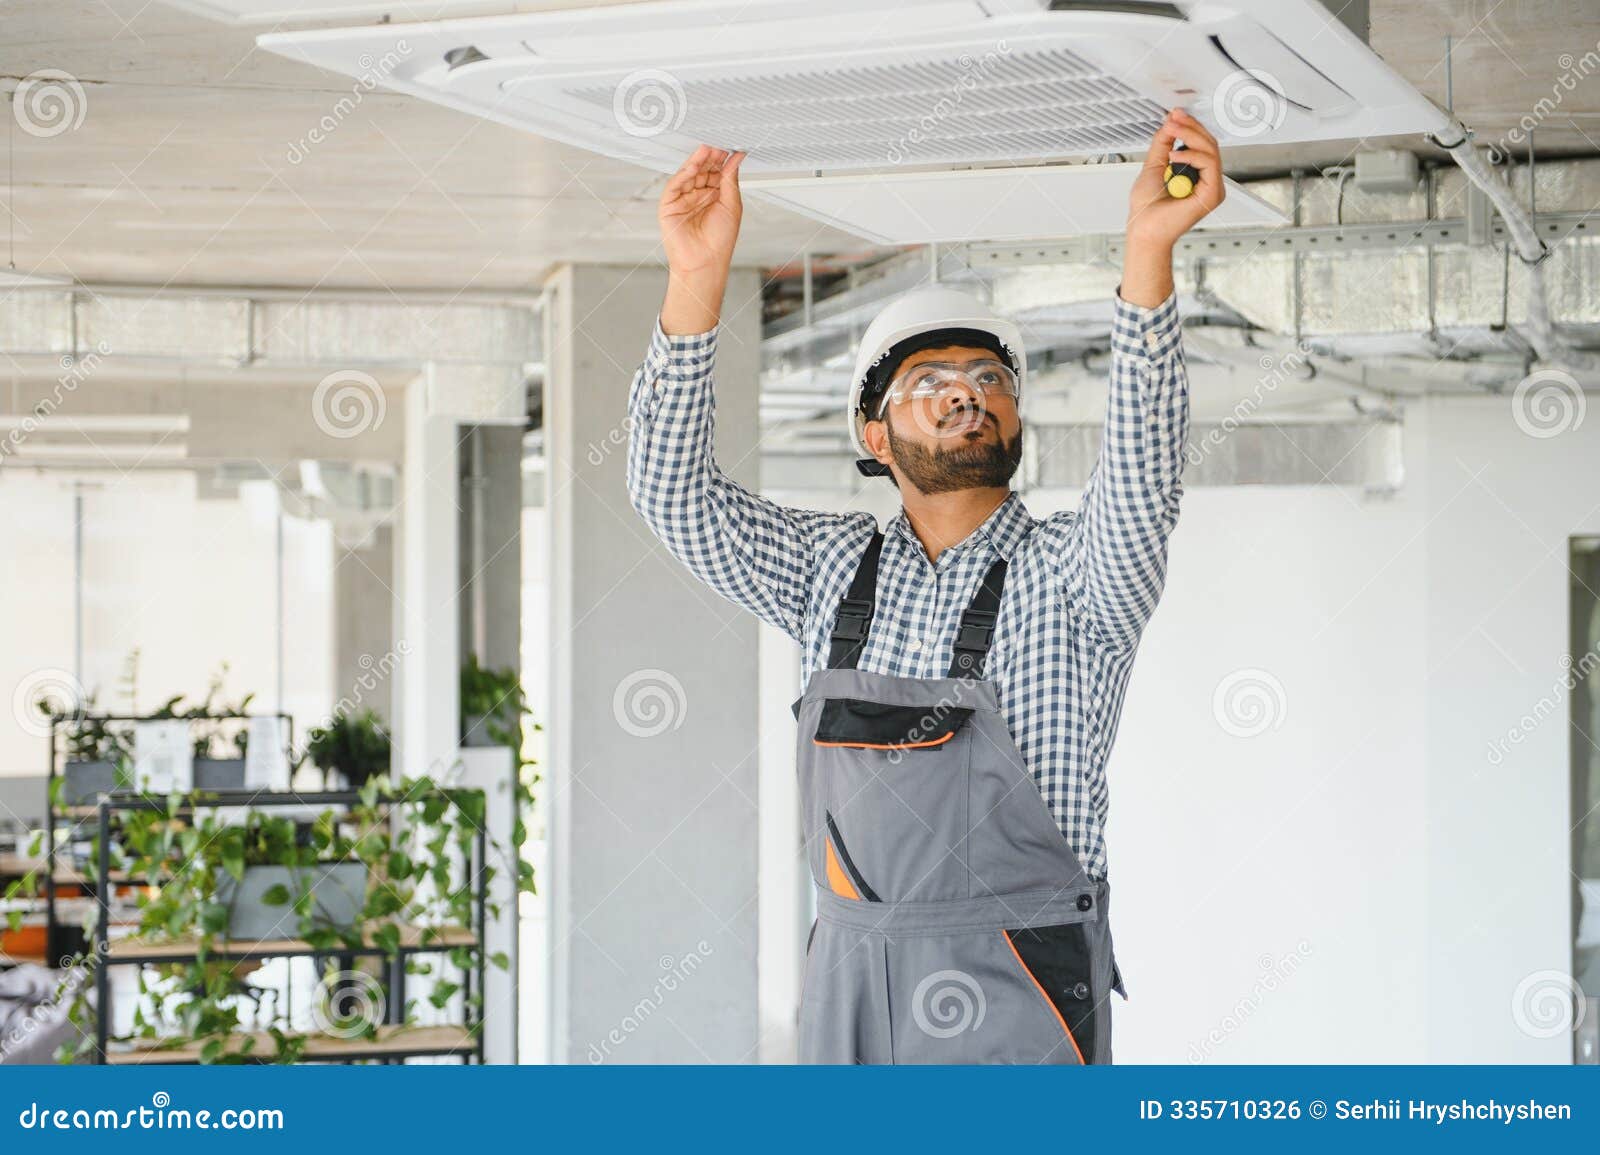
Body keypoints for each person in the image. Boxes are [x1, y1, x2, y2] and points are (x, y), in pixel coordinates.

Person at [626, 110, 1224, 1064]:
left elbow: (1144, 477)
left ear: (1017, 418)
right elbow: (672, 495)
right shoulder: (831, 574)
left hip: (1017, 980)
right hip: (849, 977)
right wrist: (696, 284)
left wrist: (1147, 257)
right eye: (930, 378)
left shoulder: (1077, 579)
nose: (966, 390)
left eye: (991, 375)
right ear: (875, 434)